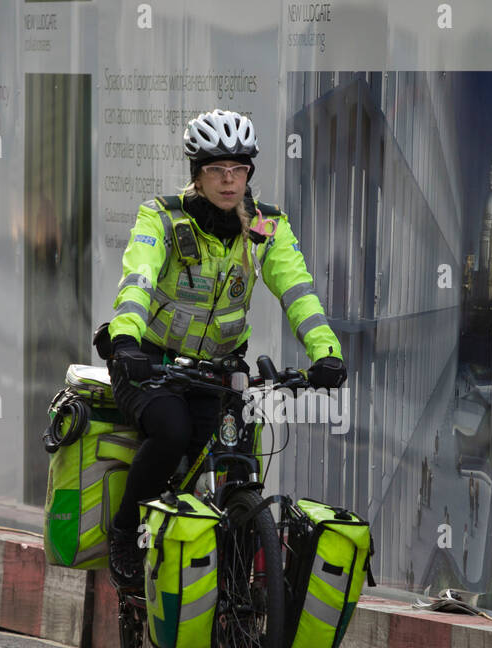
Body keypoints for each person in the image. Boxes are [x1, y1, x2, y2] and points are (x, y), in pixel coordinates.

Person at [103, 109, 347, 588]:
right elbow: (139, 279)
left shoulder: (265, 228)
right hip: (153, 364)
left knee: (239, 465)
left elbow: (297, 292)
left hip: (218, 371)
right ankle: (125, 530)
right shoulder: (163, 217)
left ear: (250, 172)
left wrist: (326, 353)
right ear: (197, 173)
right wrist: (124, 340)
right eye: (217, 169)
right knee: (171, 431)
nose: (229, 179)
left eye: (239, 169)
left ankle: (238, 597)